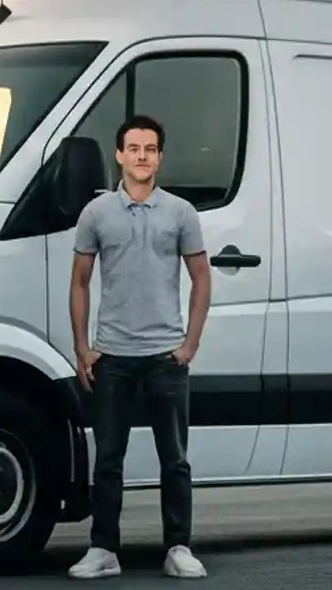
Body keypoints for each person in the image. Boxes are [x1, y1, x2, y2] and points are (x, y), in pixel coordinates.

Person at [66, 114, 212, 580]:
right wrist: (82, 347)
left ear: (160, 156)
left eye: (150, 148)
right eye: (134, 148)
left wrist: (189, 344)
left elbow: (202, 277)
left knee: (176, 461)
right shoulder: (96, 214)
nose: (142, 156)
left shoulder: (181, 213)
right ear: (120, 155)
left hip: (165, 357)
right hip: (113, 356)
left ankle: (179, 548)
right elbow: (80, 282)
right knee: (108, 460)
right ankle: (103, 549)